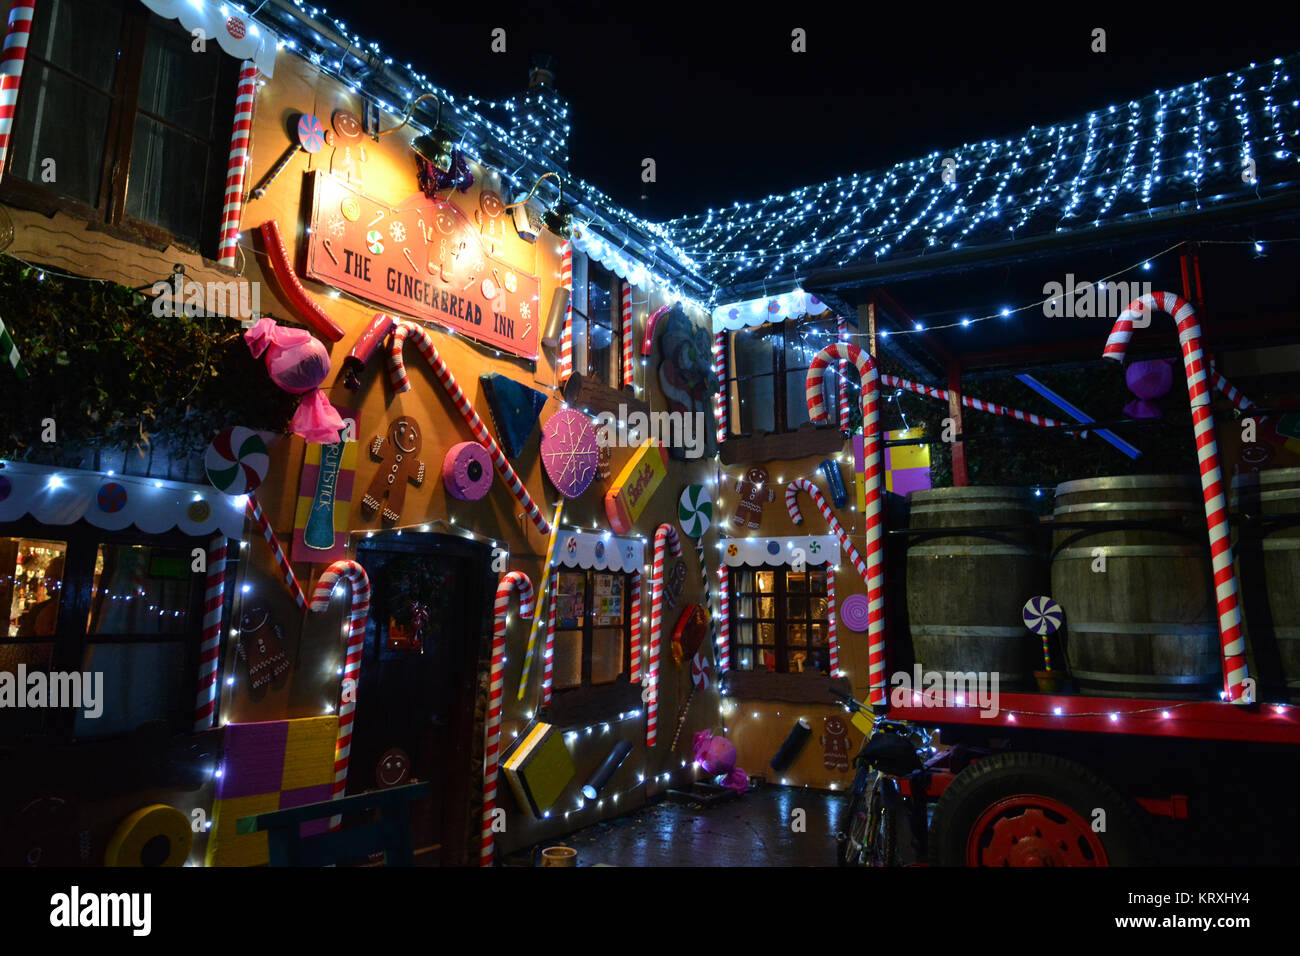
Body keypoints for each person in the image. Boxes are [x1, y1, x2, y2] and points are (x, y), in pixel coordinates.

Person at [16, 555, 63, 638]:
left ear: (57, 580)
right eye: (45, 579)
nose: (45, 584)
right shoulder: (77, 608)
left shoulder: (44, 610)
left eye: (48, 579)